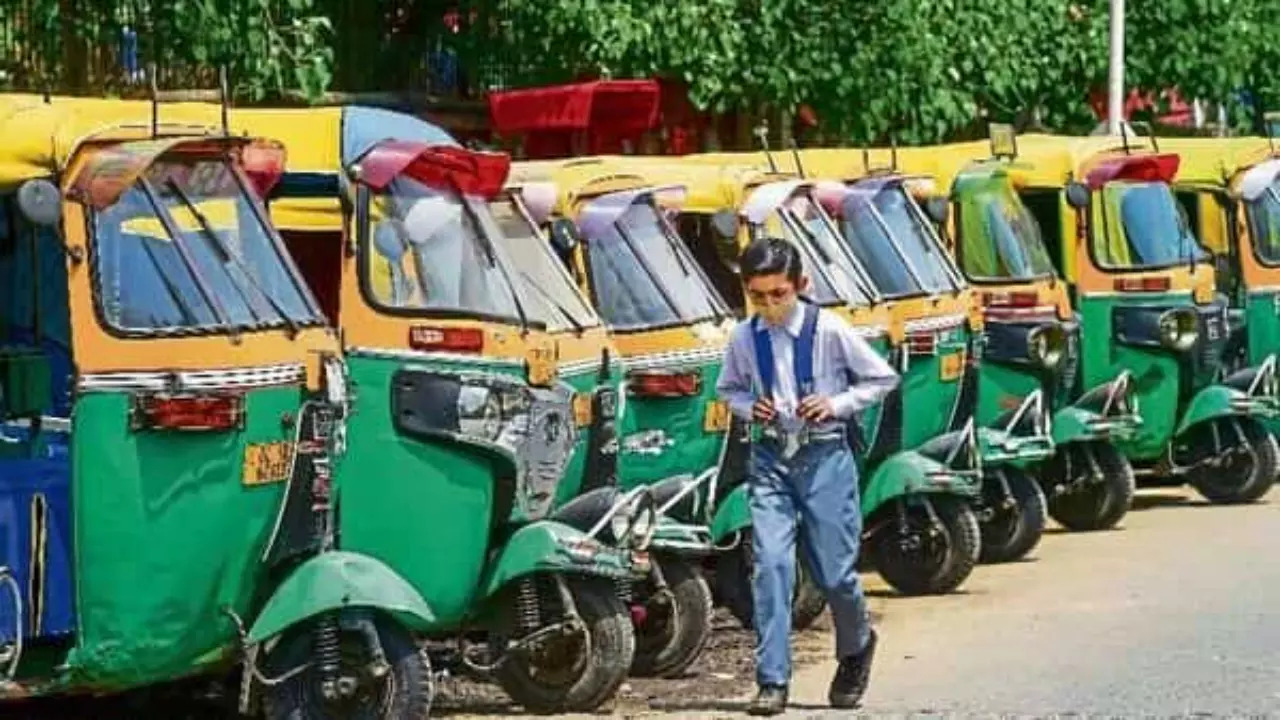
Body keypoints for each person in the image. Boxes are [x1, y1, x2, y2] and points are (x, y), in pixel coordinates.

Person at [716, 237, 899, 716]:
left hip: (824, 458)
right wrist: (745, 407)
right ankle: (772, 680)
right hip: (771, 458)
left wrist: (835, 404)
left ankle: (857, 645)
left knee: (835, 574)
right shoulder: (742, 337)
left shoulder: (830, 330)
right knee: (771, 565)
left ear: (801, 285)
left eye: (780, 294)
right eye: (759, 297)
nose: (771, 306)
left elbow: (882, 379)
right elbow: (728, 390)